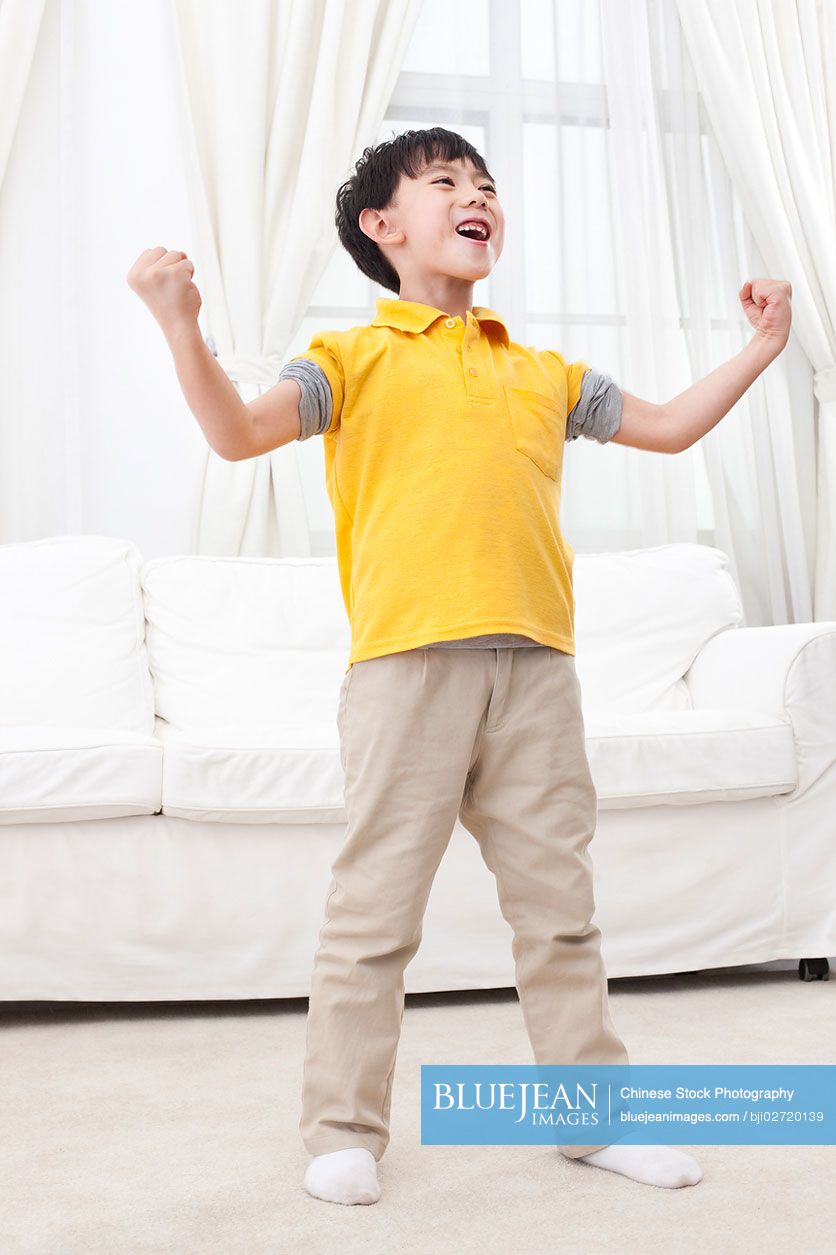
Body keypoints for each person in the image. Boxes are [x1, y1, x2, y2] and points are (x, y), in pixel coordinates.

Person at [126, 125, 704, 1207]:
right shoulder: (349, 361)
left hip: (535, 670)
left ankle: (595, 1118)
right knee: (375, 913)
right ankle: (341, 1128)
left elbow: (668, 427)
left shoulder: (543, 373)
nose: (474, 195)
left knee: (560, 910)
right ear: (381, 227)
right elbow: (239, 434)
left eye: (485, 184)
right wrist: (180, 326)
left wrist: (761, 350)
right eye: (445, 182)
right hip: (403, 673)